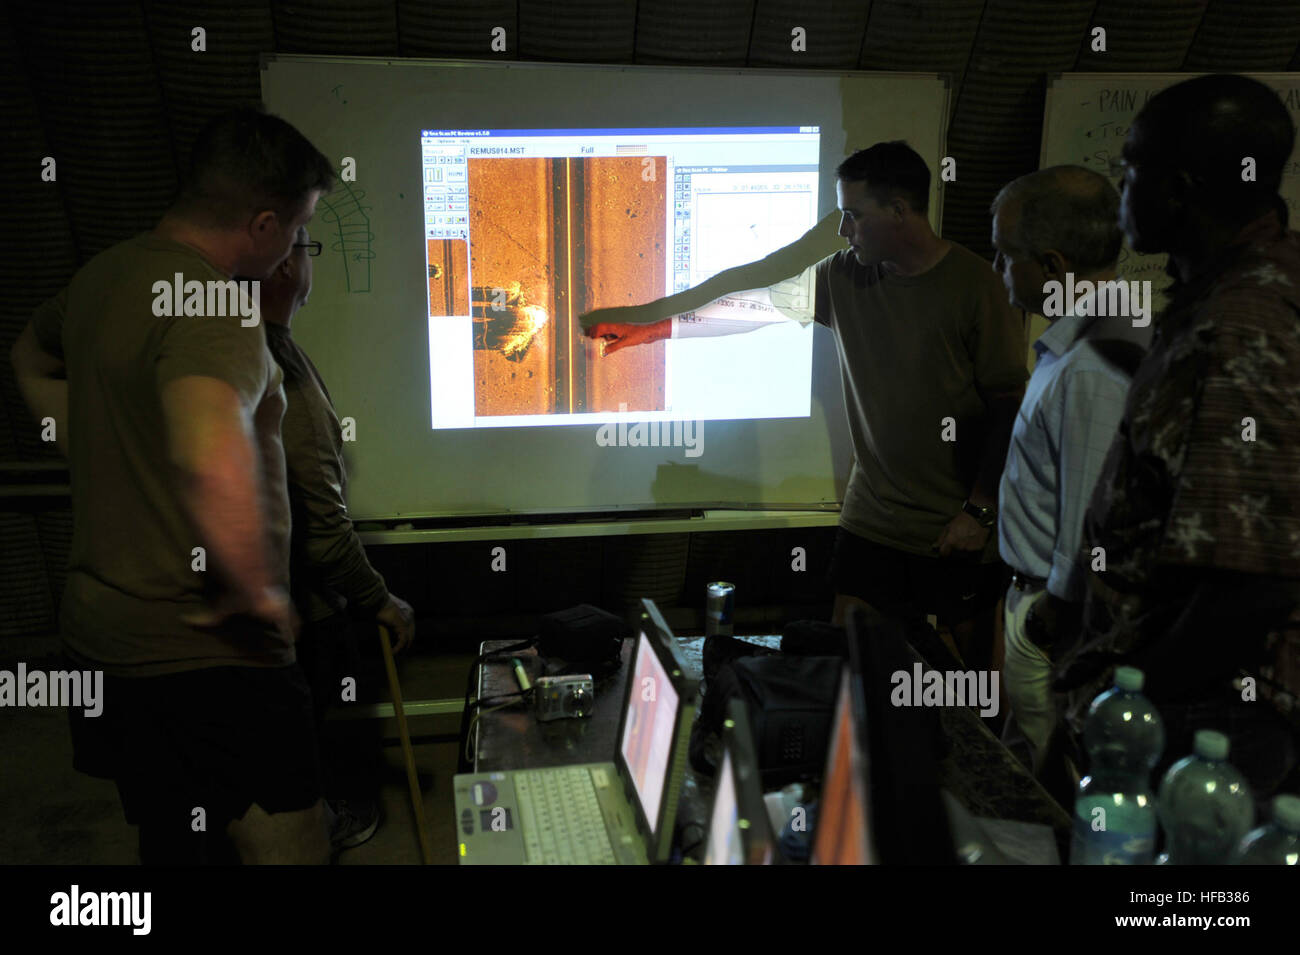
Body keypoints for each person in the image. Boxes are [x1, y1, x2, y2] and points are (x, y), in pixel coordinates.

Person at [10, 107, 334, 864]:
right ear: (261, 222)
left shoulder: (101, 277)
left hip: (100, 640)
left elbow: (27, 355)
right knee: (291, 839)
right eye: (296, 228)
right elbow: (207, 439)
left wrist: (84, 435)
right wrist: (254, 590)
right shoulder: (216, 306)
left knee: (177, 836)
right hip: (207, 656)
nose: (293, 250)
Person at [587, 142, 1027, 674]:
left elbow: (1009, 406)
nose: (844, 231)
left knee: (978, 683)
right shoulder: (845, 275)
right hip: (874, 518)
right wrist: (652, 330)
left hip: (956, 522)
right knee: (851, 669)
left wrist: (979, 511)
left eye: (853, 216)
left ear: (899, 211)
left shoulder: (977, 286)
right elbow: (752, 306)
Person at [1055, 74, 1300, 801]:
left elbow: (1250, 583)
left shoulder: (1240, 327)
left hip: (1205, 725)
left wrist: (1126, 699)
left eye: (1130, 169)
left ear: (1178, 191)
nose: (1119, 186)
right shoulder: (1230, 290)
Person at [253, 226, 417, 853]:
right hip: (295, 609)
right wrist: (380, 598)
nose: (307, 261)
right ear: (285, 266)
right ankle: (309, 823)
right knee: (290, 751)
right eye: (305, 246)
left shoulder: (247, 347)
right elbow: (324, 526)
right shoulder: (276, 369)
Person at [988, 165, 1150, 773]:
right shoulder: (1078, 344)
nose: (1001, 272)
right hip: (1039, 610)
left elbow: (1089, 529)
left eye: (1008, 257)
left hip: (1054, 625)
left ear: (1053, 267)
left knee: (1043, 784)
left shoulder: (1094, 365)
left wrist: (1041, 627)